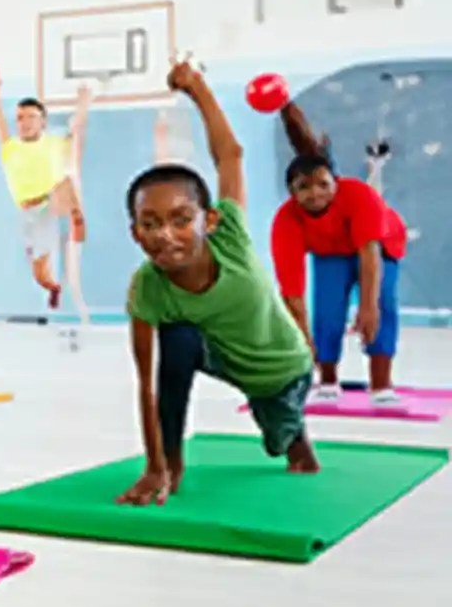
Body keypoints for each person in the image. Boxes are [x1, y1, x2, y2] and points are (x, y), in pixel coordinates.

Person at [118, 59, 318, 507]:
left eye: (181, 220)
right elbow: (148, 383)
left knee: (283, 444)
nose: (164, 235)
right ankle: (174, 462)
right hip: (222, 355)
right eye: (149, 223)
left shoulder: (229, 232)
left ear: (208, 220)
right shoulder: (147, 288)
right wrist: (154, 466)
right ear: (134, 232)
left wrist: (196, 86)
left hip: (280, 369)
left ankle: (296, 438)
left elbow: (230, 154)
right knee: (179, 338)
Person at [272, 103, 407, 406]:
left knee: (381, 305)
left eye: (323, 185)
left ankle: (381, 384)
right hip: (329, 251)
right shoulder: (286, 221)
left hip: (378, 247)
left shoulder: (359, 195)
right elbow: (292, 291)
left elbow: (369, 254)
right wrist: (304, 341)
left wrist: (368, 307)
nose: (315, 193)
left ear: (336, 183)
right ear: (292, 194)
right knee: (327, 312)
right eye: (303, 188)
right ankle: (328, 380)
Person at [0, 66, 91, 341]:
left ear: (42, 122)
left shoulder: (55, 143)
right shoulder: (10, 148)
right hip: (29, 212)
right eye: (20, 118)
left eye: (31, 117)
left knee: (65, 184)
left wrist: (83, 102)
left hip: (52, 201)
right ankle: (53, 287)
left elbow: (76, 128)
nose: (25, 122)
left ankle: (79, 228)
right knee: (40, 273)